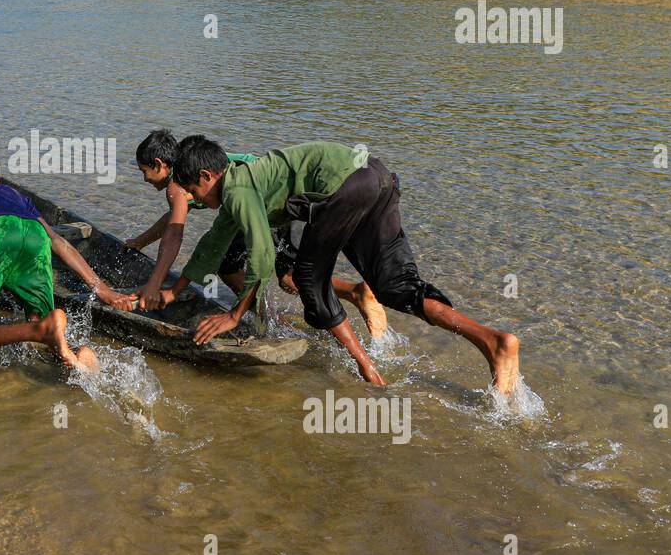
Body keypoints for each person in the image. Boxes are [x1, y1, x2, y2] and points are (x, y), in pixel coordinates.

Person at [160, 136, 522, 394]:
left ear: (208, 177)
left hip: (348, 189)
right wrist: (174, 290)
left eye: (192, 190)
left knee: (305, 278)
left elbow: (261, 256)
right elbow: (212, 244)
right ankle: (493, 341)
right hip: (377, 178)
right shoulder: (238, 179)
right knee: (396, 287)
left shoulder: (237, 191)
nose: (190, 199)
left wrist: (235, 315)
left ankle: (368, 368)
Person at [125, 129, 386, 336]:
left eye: (144, 171)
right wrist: (141, 241)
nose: (145, 179)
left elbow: (175, 232)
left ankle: (272, 322)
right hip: (286, 199)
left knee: (237, 267)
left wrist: (156, 284)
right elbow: (173, 218)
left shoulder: (178, 183)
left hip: (266, 205)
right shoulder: (193, 163)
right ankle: (305, 312)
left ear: (159, 165)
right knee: (290, 278)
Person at [0, 146, 135, 373]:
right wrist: (103, 289)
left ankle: (38, 330)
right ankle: (78, 353)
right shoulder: (16, 196)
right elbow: (57, 241)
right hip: (36, 235)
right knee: (49, 341)